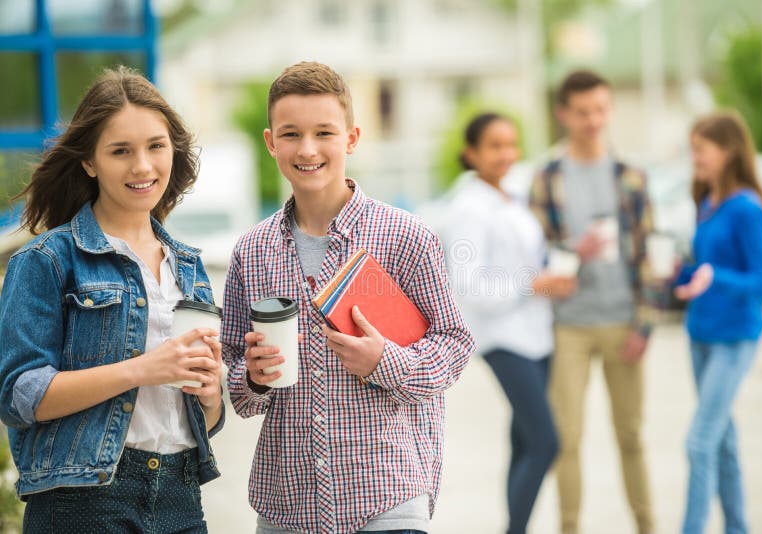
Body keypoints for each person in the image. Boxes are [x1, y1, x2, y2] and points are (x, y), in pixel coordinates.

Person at [220, 61, 475, 534]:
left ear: (352, 138)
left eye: (324, 132)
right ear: (271, 142)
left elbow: (455, 346)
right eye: (291, 134)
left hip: (387, 494)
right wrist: (253, 377)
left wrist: (386, 361)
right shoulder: (252, 252)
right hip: (287, 504)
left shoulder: (405, 236)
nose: (308, 149)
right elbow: (237, 385)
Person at [0, 66, 225, 533]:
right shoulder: (47, 260)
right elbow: (19, 396)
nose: (142, 166)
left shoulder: (188, 266)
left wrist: (209, 398)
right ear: (89, 162)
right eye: (121, 151)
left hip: (181, 495)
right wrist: (144, 368)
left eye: (155, 146)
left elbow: (202, 417)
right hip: (85, 498)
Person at [529, 70, 659, 534]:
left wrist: (645, 323)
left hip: (623, 321)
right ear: (563, 113)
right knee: (567, 438)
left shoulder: (631, 176)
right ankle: (570, 527)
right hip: (569, 326)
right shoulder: (546, 178)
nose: (593, 120)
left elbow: (649, 252)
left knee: (631, 436)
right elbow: (537, 253)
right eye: (583, 112)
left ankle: (647, 526)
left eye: (601, 110)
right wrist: (571, 256)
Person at [443, 112, 571, 534]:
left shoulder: (511, 196)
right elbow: (468, 284)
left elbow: (527, 258)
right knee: (546, 442)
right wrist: (534, 284)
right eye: (495, 146)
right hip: (502, 339)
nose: (507, 154)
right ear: (471, 153)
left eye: (512, 144)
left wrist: (557, 266)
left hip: (537, 336)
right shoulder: (468, 209)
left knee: (524, 443)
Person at [675, 112, 762, 534]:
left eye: (701, 148)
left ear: (728, 149)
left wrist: (716, 276)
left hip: (735, 339)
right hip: (700, 334)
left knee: (698, 443)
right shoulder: (705, 201)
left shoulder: (748, 208)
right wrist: (682, 275)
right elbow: (704, 269)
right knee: (723, 442)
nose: (693, 157)